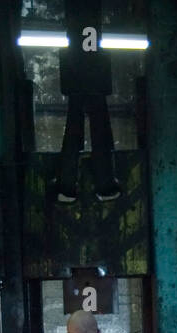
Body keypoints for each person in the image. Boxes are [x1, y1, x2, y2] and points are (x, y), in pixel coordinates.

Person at [52, 0, 121, 203]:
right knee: (100, 130)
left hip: (75, 71)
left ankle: (67, 186)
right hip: (95, 72)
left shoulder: (74, 10)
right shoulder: (93, 11)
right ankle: (105, 184)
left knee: (73, 129)